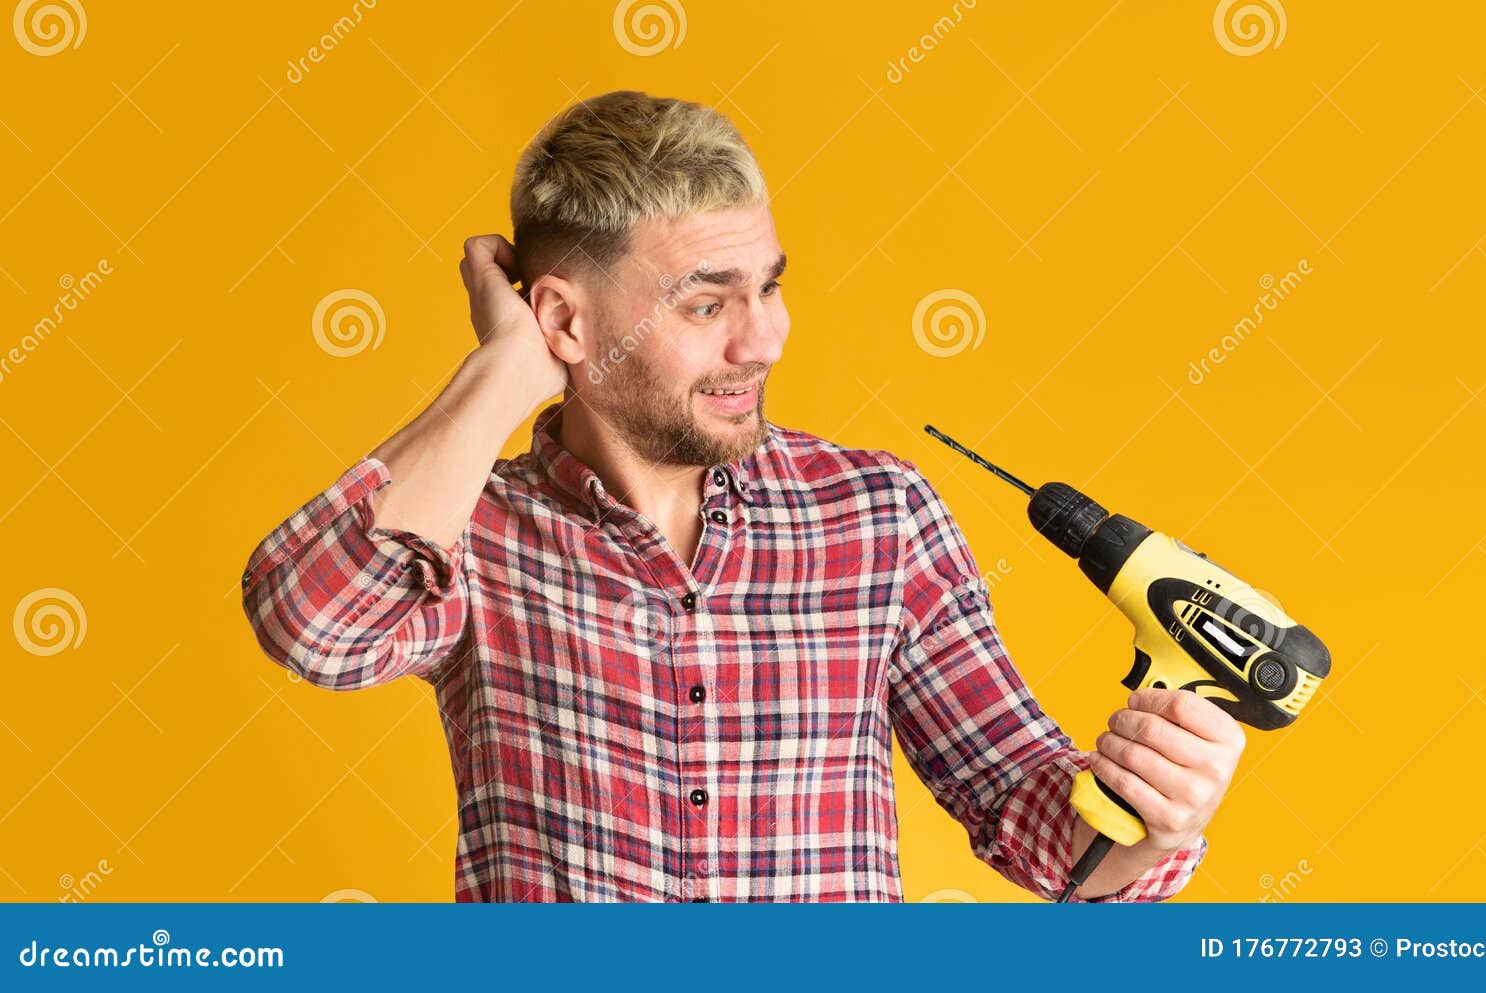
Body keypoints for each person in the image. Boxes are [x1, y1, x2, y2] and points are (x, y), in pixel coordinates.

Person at [239, 90, 1244, 902]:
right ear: (565, 322)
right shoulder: (475, 529)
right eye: (707, 303)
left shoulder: (876, 513)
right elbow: (313, 628)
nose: (761, 340)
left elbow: (1031, 828)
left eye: (767, 287)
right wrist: (500, 376)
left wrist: (1156, 816)